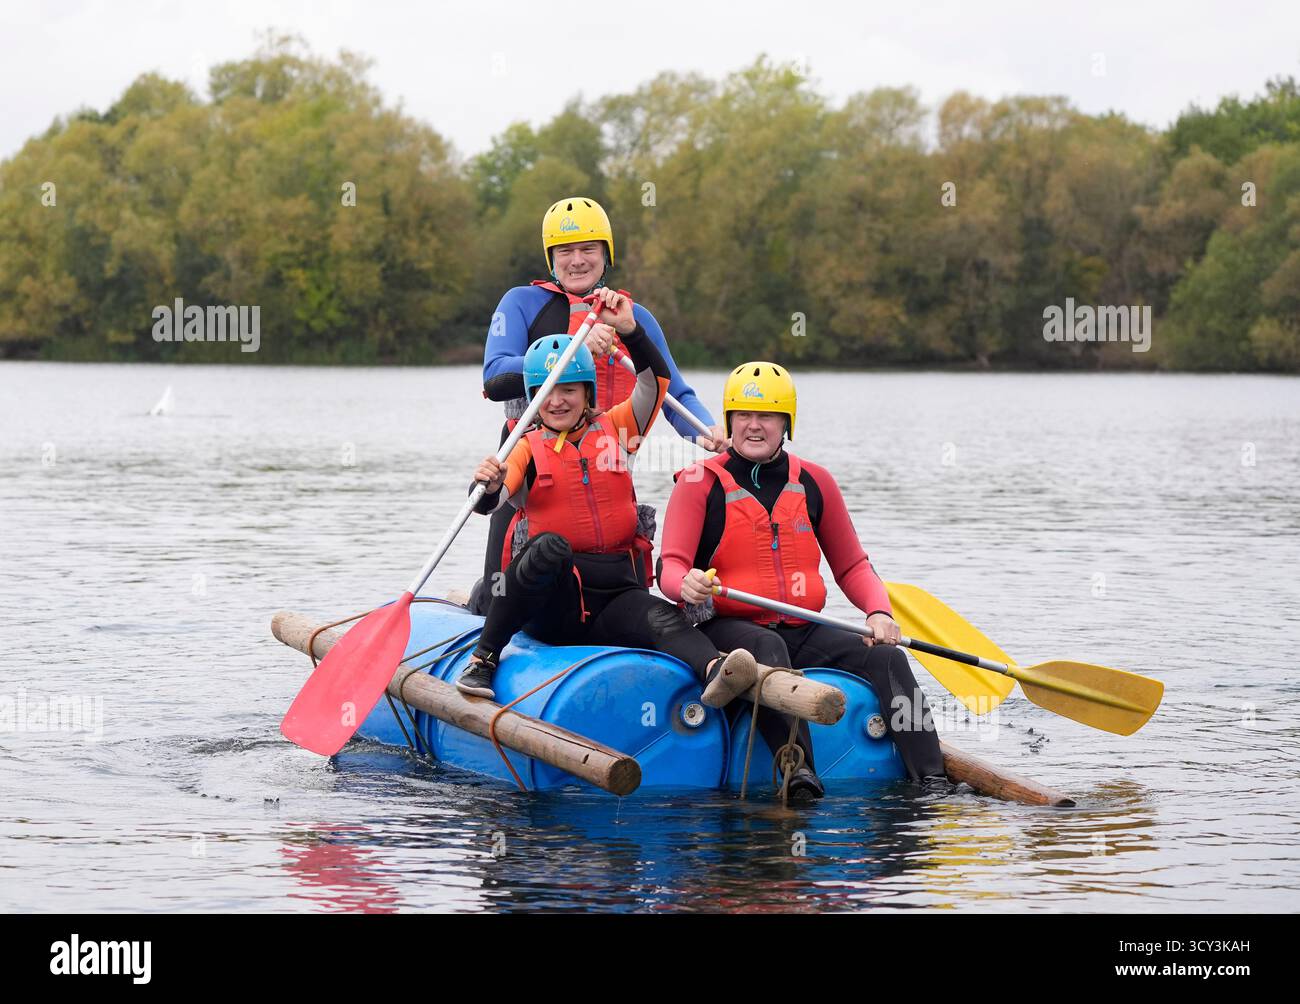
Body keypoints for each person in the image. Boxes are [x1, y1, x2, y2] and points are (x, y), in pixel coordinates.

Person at [657, 362, 948, 799]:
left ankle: (933, 780)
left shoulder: (815, 482)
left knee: (887, 659)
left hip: (803, 624)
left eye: (767, 416)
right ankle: (800, 772)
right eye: (742, 416)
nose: (754, 426)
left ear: (786, 423)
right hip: (728, 628)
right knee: (768, 649)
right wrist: (687, 584)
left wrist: (878, 611)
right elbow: (670, 566)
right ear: (729, 421)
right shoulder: (699, 482)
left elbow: (852, 565)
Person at [455, 307, 765, 716]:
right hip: (555, 606)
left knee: (661, 615)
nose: (558, 400)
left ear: (588, 393)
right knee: (549, 547)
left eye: (569, 389)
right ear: (533, 397)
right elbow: (492, 499)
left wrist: (632, 332)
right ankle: (484, 660)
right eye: (547, 390)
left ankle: (716, 672)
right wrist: (491, 485)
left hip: (616, 593)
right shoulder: (524, 446)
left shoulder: (618, 430)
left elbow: (655, 383)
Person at [470, 196, 724, 615]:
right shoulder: (520, 302)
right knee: (499, 592)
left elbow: (673, 392)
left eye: (588, 249)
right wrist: (572, 349)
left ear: (607, 255)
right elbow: (495, 378)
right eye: (565, 251)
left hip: (607, 465)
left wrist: (709, 433)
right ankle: (481, 606)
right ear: (551, 259)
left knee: (617, 583)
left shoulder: (632, 316)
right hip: (528, 466)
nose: (577, 260)